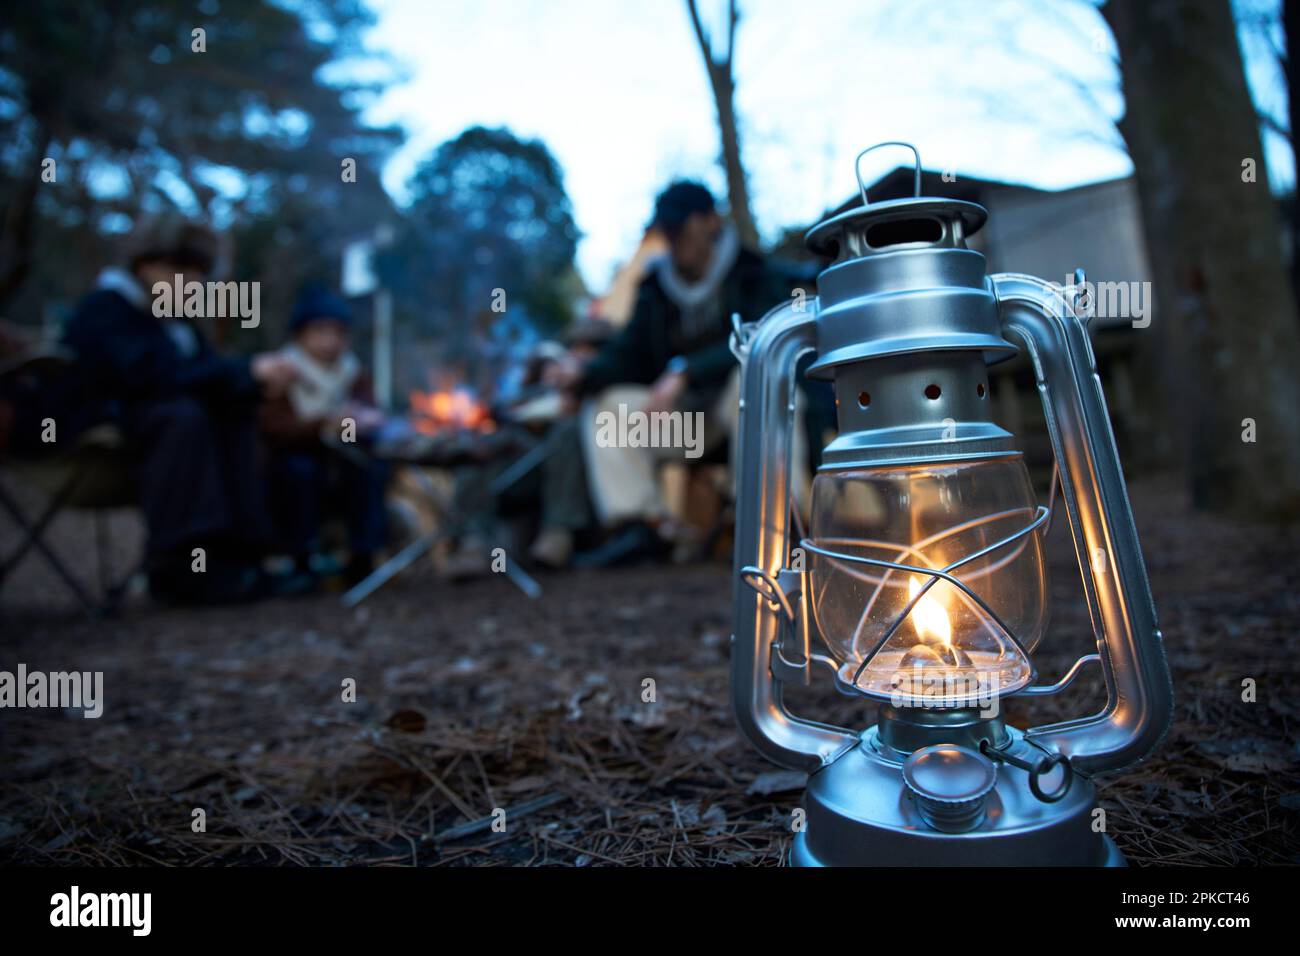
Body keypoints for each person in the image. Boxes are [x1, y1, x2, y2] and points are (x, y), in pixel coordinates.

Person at [59, 213, 301, 604]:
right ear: (145, 265)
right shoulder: (108, 308)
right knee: (182, 418)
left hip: (169, 438)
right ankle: (181, 568)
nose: (191, 282)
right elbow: (146, 376)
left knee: (235, 416)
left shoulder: (179, 324)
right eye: (180, 269)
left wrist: (254, 381)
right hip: (102, 436)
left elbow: (206, 377)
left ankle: (239, 561)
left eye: (198, 271)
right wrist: (243, 372)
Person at [546, 181, 788, 567]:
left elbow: (766, 335)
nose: (675, 239)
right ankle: (646, 527)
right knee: (611, 408)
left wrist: (686, 371)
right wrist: (582, 374)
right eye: (668, 230)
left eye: (684, 226)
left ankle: (768, 525)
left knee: (755, 380)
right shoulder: (656, 289)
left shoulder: (753, 273)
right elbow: (627, 355)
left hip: (745, 415)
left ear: (711, 222)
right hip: (690, 427)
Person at [259, 288, 390, 587]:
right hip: (295, 456)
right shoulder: (283, 369)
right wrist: (326, 424)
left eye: (337, 333)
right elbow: (276, 427)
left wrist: (363, 421)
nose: (330, 341)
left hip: (343, 457)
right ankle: (299, 561)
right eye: (320, 331)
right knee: (298, 472)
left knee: (370, 469)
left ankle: (363, 558)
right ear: (301, 335)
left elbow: (369, 412)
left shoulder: (352, 372)